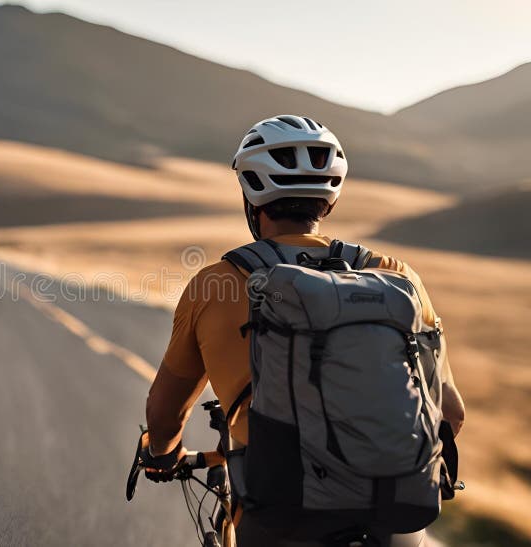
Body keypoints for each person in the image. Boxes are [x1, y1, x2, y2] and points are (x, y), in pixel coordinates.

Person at [141, 115, 466, 546]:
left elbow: (165, 413)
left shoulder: (216, 283)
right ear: (327, 201)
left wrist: (162, 454)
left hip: (281, 509)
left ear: (252, 198)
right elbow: (451, 413)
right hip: (393, 508)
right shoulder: (395, 277)